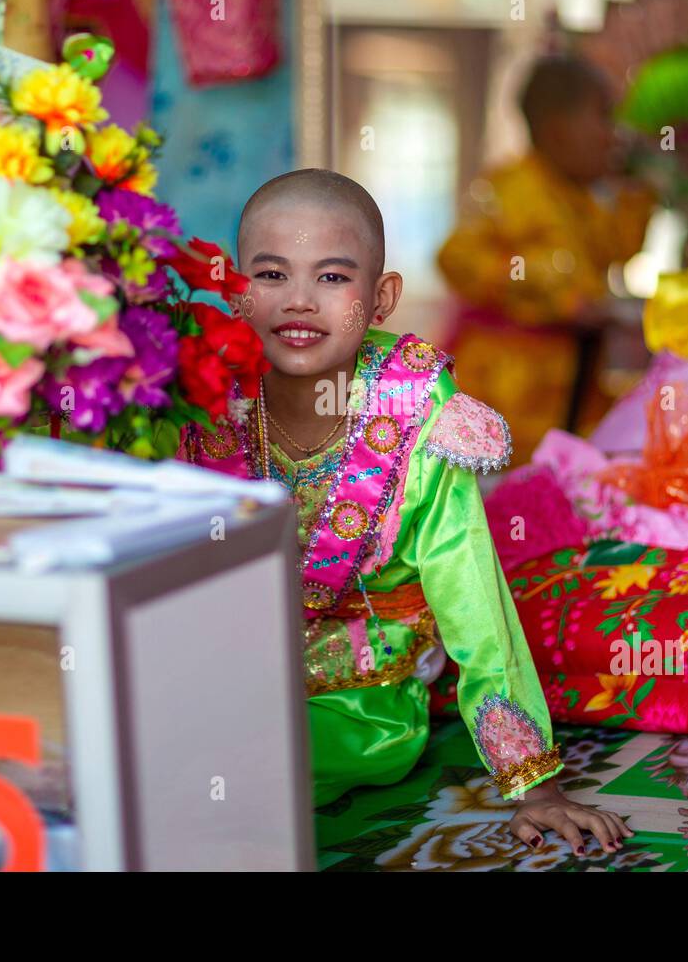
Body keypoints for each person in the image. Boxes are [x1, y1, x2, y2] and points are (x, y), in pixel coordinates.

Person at [180, 168, 633, 855]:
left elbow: (473, 596)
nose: (299, 302)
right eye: (271, 275)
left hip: (358, 699)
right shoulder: (206, 393)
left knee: (220, 764)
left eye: (332, 278)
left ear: (382, 298)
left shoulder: (418, 409)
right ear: (236, 288)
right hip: (222, 670)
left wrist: (533, 784)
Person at [436, 54, 655, 465]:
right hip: (509, 383)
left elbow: (622, 249)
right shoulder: (509, 189)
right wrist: (549, 285)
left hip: (575, 375)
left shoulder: (591, 197)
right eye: (604, 118)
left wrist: (635, 192)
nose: (615, 136)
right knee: (508, 482)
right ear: (556, 133)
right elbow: (456, 257)